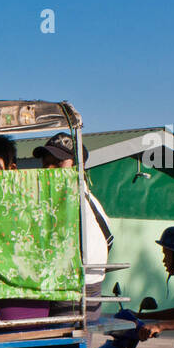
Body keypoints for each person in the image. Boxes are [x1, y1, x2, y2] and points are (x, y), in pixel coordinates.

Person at [35, 132, 115, 319]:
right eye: (46, 162)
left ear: (79, 166)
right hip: (84, 284)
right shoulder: (88, 199)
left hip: (74, 287)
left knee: (64, 344)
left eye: (58, 162)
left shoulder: (70, 201)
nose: (50, 168)